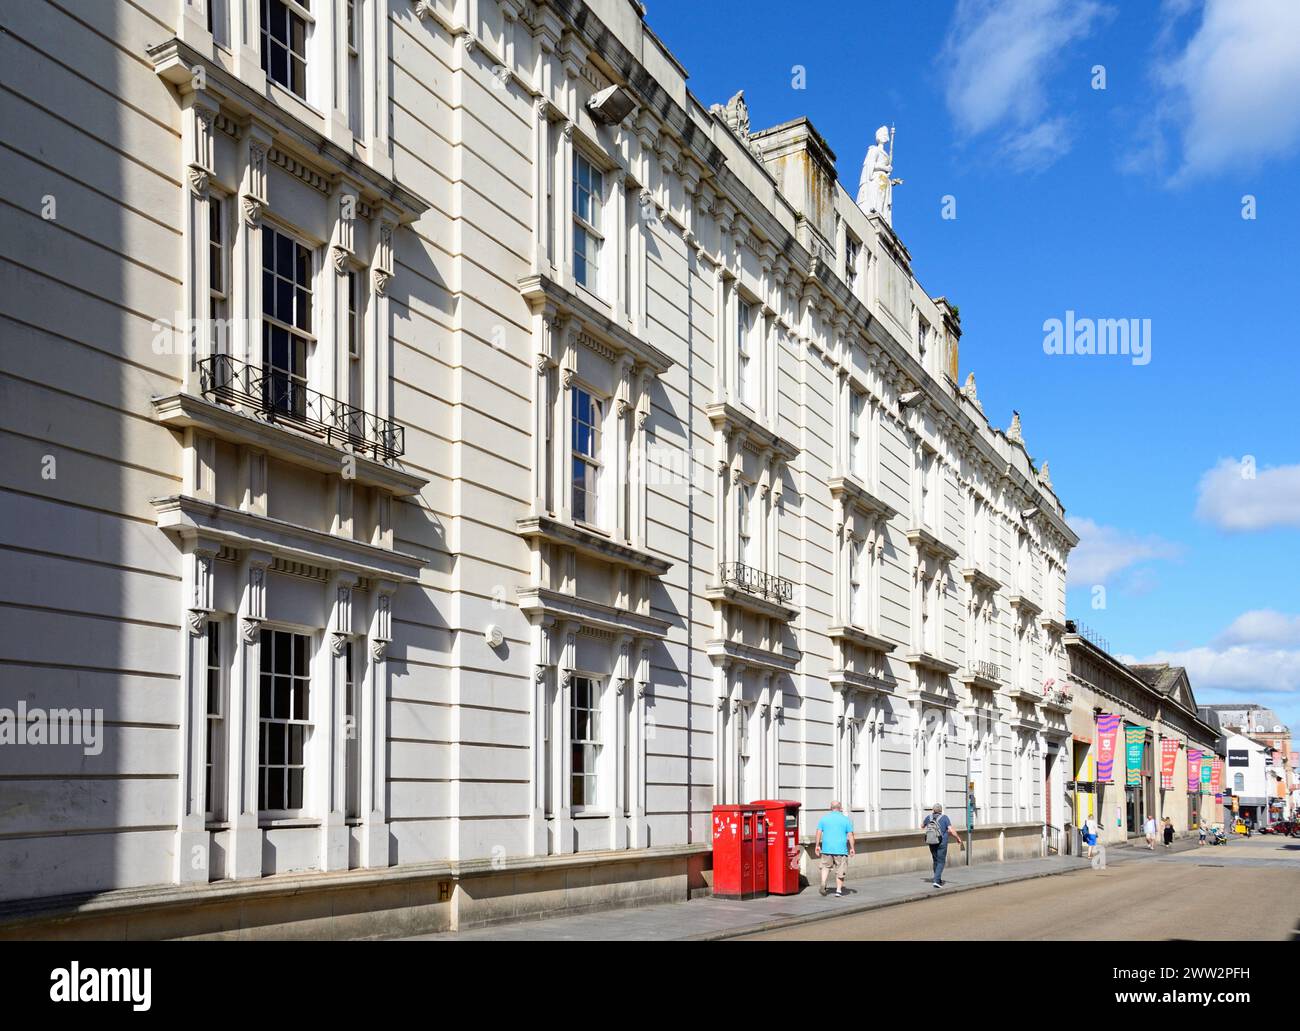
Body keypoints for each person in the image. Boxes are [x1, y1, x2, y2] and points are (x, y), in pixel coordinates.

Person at [814, 800, 856, 898]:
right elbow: (850, 835)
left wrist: (817, 845)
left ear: (830, 808)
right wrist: (852, 848)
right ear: (840, 808)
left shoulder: (824, 819)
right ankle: (838, 890)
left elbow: (818, 832)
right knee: (840, 869)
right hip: (841, 849)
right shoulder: (846, 820)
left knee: (825, 866)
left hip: (826, 848)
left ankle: (823, 883)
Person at [921, 803, 963, 888]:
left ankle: (938, 879)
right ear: (941, 810)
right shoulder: (945, 818)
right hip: (942, 842)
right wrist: (958, 838)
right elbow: (951, 830)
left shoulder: (928, 817)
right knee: (941, 861)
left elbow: (922, 826)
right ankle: (936, 881)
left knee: (935, 860)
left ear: (933, 810)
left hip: (931, 841)